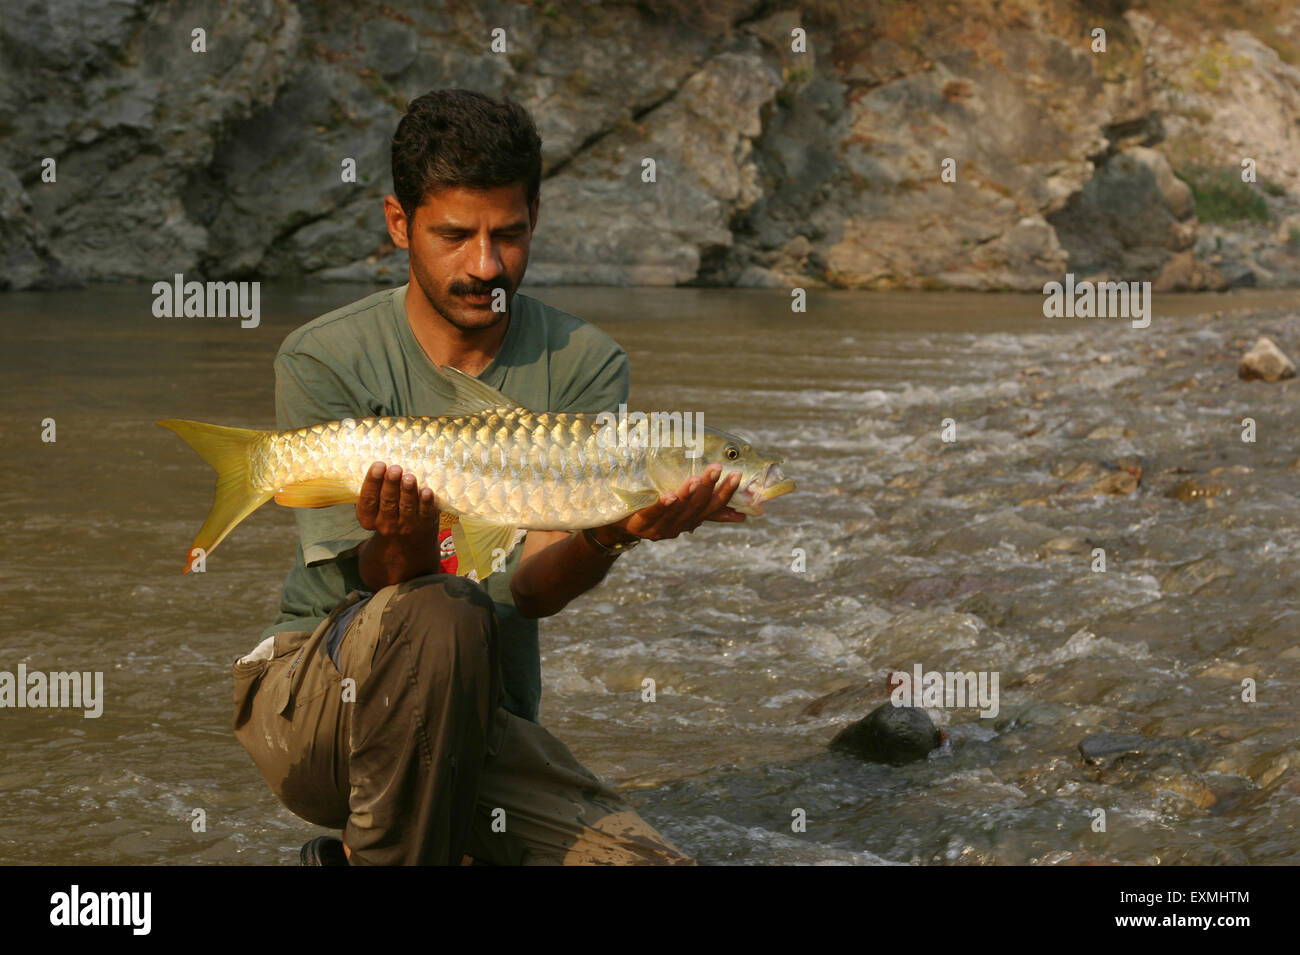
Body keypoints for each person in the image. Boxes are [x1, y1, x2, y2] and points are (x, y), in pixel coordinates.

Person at [230, 88, 748, 865]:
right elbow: (369, 581)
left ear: (535, 216)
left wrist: (612, 531)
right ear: (399, 223)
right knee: (442, 610)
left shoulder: (586, 361)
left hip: (482, 724)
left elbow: (533, 591)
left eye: (508, 234)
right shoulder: (322, 355)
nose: (485, 265)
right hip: (318, 704)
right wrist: (400, 542)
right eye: (454, 235)